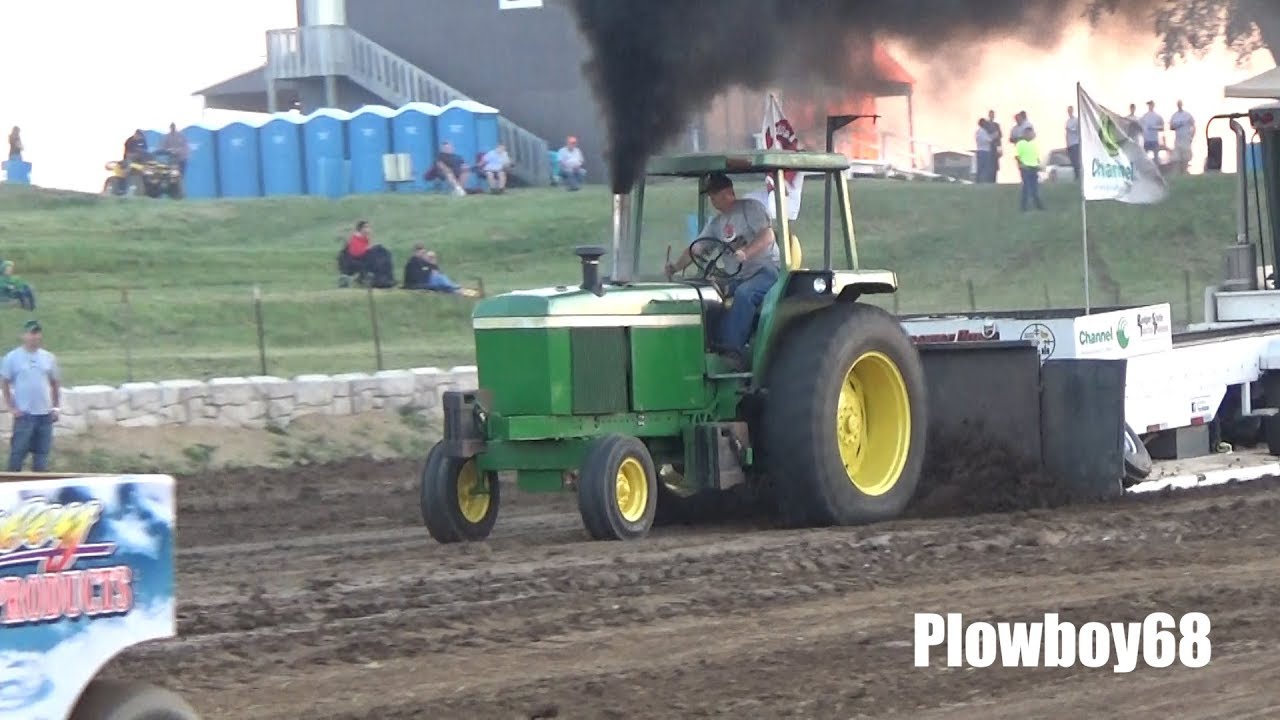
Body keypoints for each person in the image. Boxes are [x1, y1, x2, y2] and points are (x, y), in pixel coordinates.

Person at [665, 173, 779, 366]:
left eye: (714, 195)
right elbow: (697, 249)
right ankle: (708, 344)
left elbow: (767, 235)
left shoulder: (750, 209)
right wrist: (675, 267)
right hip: (737, 276)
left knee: (745, 294)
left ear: (728, 193)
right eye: (710, 196)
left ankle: (731, 352)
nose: (712, 200)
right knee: (708, 293)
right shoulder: (716, 223)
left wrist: (747, 252)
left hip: (766, 271)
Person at [1, 320, 61, 473]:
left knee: (42, 456)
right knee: (17, 454)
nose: (34, 337)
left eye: (37, 333)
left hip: (45, 415)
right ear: (23, 335)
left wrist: (56, 407)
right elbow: (5, 383)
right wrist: (11, 407)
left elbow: (55, 383)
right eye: (31, 333)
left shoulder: (48, 357)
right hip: (25, 415)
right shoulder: (12, 357)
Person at [402, 245, 475, 295]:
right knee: (441, 281)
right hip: (423, 283)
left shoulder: (422, 261)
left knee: (442, 279)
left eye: (424, 253)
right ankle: (458, 288)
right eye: (421, 253)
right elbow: (417, 277)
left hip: (430, 280)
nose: (422, 254)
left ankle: (462, 290)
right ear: (416, 252)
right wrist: (429, 272)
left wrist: (432, 260)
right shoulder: (412, 262)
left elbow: (434, 268)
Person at [1015, 127, 1045, 212]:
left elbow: (1036, 157)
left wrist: (1039, 166)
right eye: (1030, 133)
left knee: (1035, 188)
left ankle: (1039, 206)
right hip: (1025, 168)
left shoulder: (1033, 144)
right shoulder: (1021, 143)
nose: (1032, 135)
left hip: (1033, 168)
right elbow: (1017, 156)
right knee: (1027, 187)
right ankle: (1024, 207)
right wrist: (1021, 164)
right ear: (1026, 134)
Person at [1170, 100, 1196, 175]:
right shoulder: (1174, 116)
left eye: (1180, 104)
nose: (1179, 105)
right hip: (1178, 139)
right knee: (1177, 158)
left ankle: (1185, 172)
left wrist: (1192, 136)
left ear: (1182, 105)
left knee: (1186, 158)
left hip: (1186, 139)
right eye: (1178, 104)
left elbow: (1193, 125)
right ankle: (1178, 173)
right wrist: (1177, 125)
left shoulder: (1187, 115)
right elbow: (1171, 127)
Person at [974, 119, 994, 184]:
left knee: (980, 167)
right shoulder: (982, 132)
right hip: (984, 151)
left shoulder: (978, 132)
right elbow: (988, 140)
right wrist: (994, 136)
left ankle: (979, 181)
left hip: (980, 151)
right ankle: (981, 181)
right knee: (984, 167)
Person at [1065, 106, 1081, 181]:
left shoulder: (1076, 120)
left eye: (1070, 111)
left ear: (1072, 111)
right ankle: (1076, 175)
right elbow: (1066, 133)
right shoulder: (1067, 121)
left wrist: (1070, 129)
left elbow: (1077, 130)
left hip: (1075, 142)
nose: (1069, 112)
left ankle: (1078, 175)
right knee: (1072, 160)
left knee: (1076, 160)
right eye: (1068, 111)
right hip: (1070, 144)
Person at [986, 110, 1003, 181]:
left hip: (995, 147)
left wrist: (1000, 150)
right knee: (989, 165)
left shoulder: (997, 125)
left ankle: (994, 180)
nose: (992, 116)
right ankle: (988, 180)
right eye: (991, 115)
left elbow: (1000, 137)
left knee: (995, 165)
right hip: (988, 147)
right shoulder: (986, 125)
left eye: (993, 115)